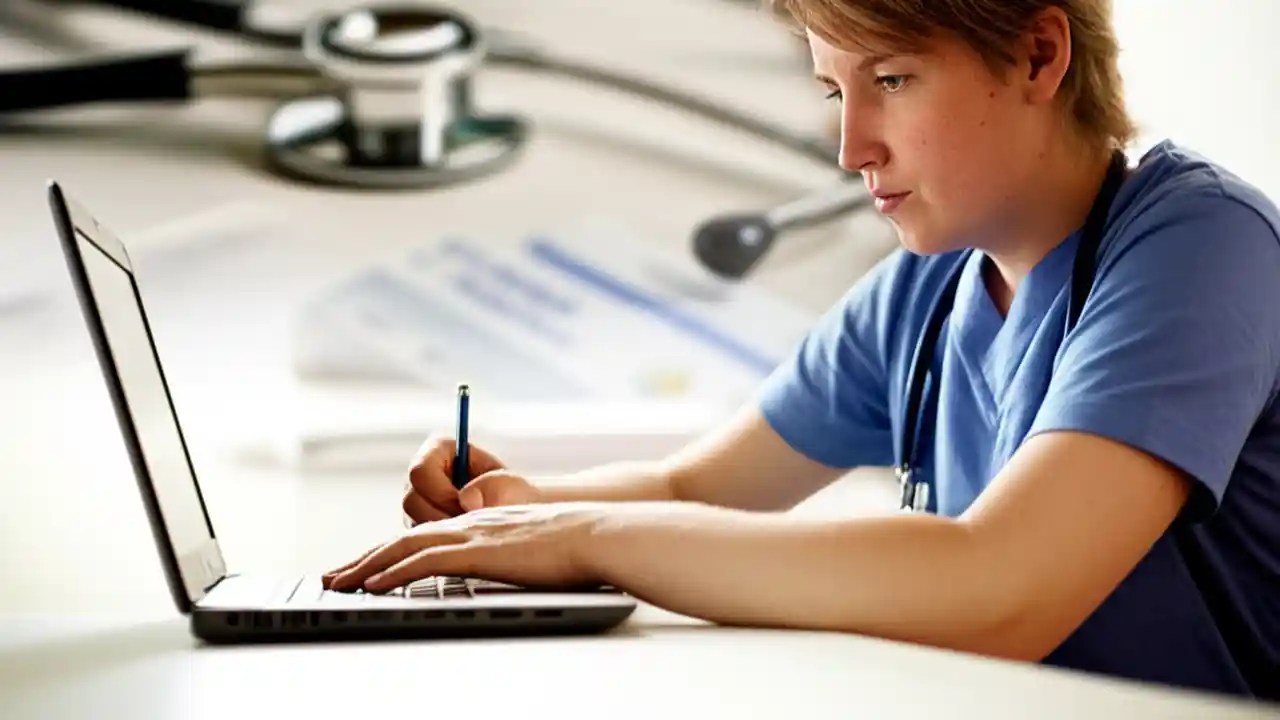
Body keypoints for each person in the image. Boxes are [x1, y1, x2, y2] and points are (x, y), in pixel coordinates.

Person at [324, 0, 1280, 700]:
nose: (851, 147)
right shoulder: (930, 290)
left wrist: (587, 539)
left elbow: (1001, 587)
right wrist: (514, 513)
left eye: (892, 81)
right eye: (835, 90)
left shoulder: (1206, 246)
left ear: (1038, 55)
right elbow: (693, 494)